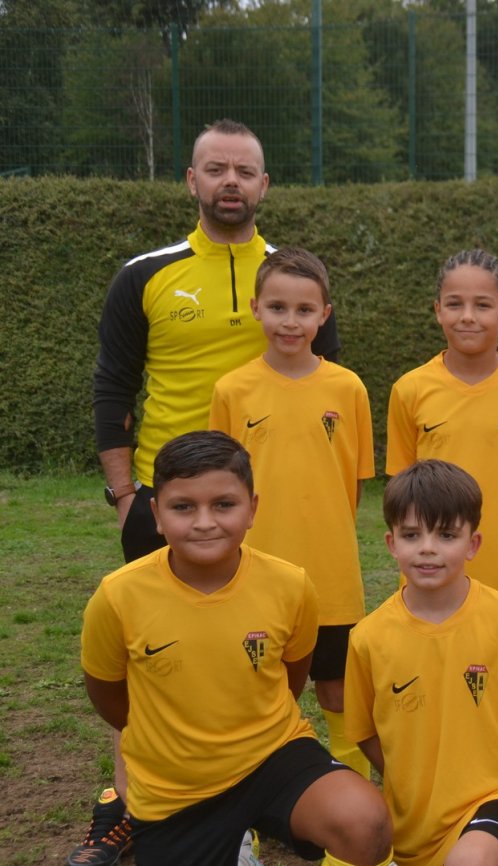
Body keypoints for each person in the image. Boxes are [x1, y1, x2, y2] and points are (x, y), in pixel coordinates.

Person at [81, 118, 340, 865]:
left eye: (244, 171)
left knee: (259, 649)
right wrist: (126, 495)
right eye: (216, 169)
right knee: (155, 661)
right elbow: (113, 384)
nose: (231, 182)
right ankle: (130, 808)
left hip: (263, 504)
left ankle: (259, 799)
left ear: (264, 185)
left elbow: (327, 380)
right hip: (166, 501)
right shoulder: (144, 274)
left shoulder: (294, 278)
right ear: (192, 180)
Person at [79, 431, 393, 866]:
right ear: (156, 514)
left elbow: (291, 676)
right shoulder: (118, 597)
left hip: (273, 756)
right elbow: (108, 696)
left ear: (252, 509)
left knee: (366, 824)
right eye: (183, 507)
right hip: (176, 788)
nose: (204, 522)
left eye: (224, 504)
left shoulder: (290, 585)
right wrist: (170, 740)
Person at [209, 248, 374, 779]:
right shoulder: (232, 390)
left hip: (332, 572)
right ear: (256, 308)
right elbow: (222, 488)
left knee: (337, 688)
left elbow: (353, 483)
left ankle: (352, 797)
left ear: (324, 315)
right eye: (278, 307)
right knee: (264, 690)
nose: (290, 321)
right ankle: (255, 803)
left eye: (304, 310)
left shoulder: (348, 388)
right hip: (256, 571)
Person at [344, 460, 498, 865]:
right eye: (412, 535)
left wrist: (488, 767)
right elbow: (366, 733)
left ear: (473, 543)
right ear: (391, 543)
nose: (428, 548)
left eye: (447, 535)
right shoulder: (368, 637)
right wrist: (415, 780)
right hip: (415, 825)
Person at [385, 249, 498, 618]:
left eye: (483, 305)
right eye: (455, 304)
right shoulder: (410, 390)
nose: (468, 317)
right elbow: (402, 488)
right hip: (429, 570)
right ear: (438, 310)